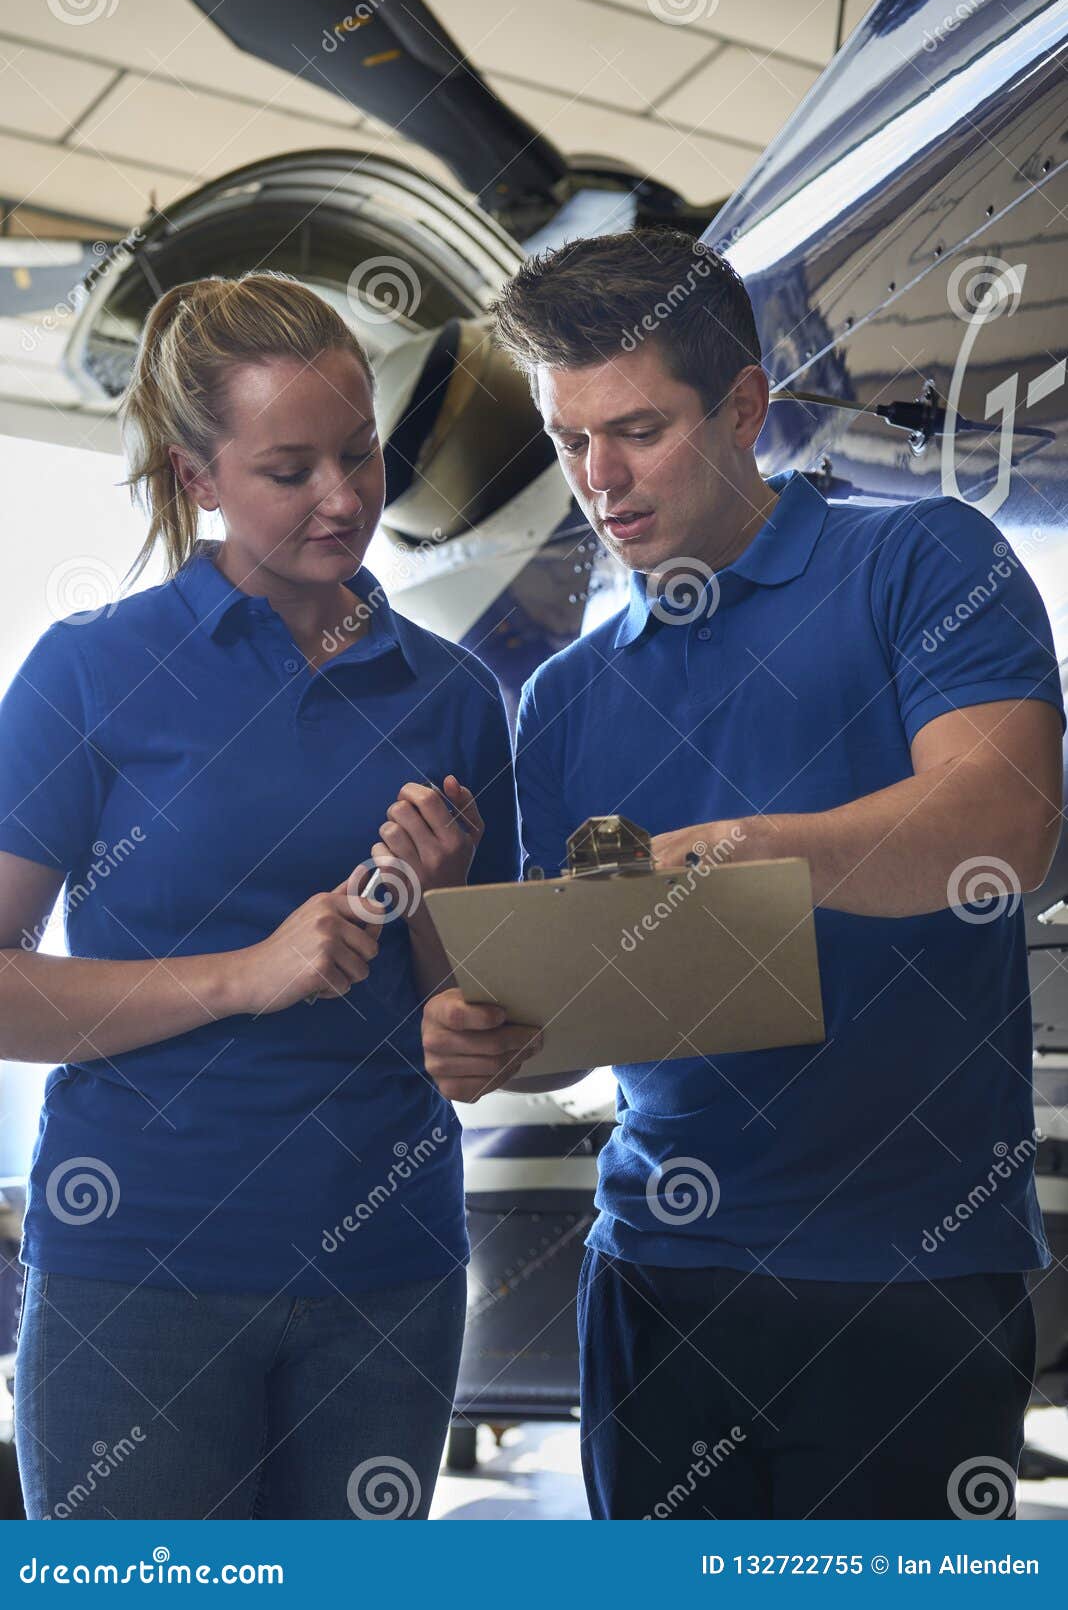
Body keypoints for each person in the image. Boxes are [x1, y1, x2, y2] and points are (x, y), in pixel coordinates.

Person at [414, 228, 1065, 1519]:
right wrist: (486, 1037)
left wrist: (742, 852)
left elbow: (1008, 824)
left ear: (748, 408)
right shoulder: (564, 697)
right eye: (569, 439)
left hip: (909, 1281)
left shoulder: (923, 564)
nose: (599, 479)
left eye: (639, 430)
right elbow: (574, 1020)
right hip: (658, 1282)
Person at [0, 272, 524, 1519]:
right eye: (291, 470)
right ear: (200, 480)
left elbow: (477, 1041)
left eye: (361, 453)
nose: (343, 498)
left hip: (388, 1279)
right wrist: (249, 972)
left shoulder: (452, 695)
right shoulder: (92, 671)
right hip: (140, 1276)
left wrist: (451, 917)